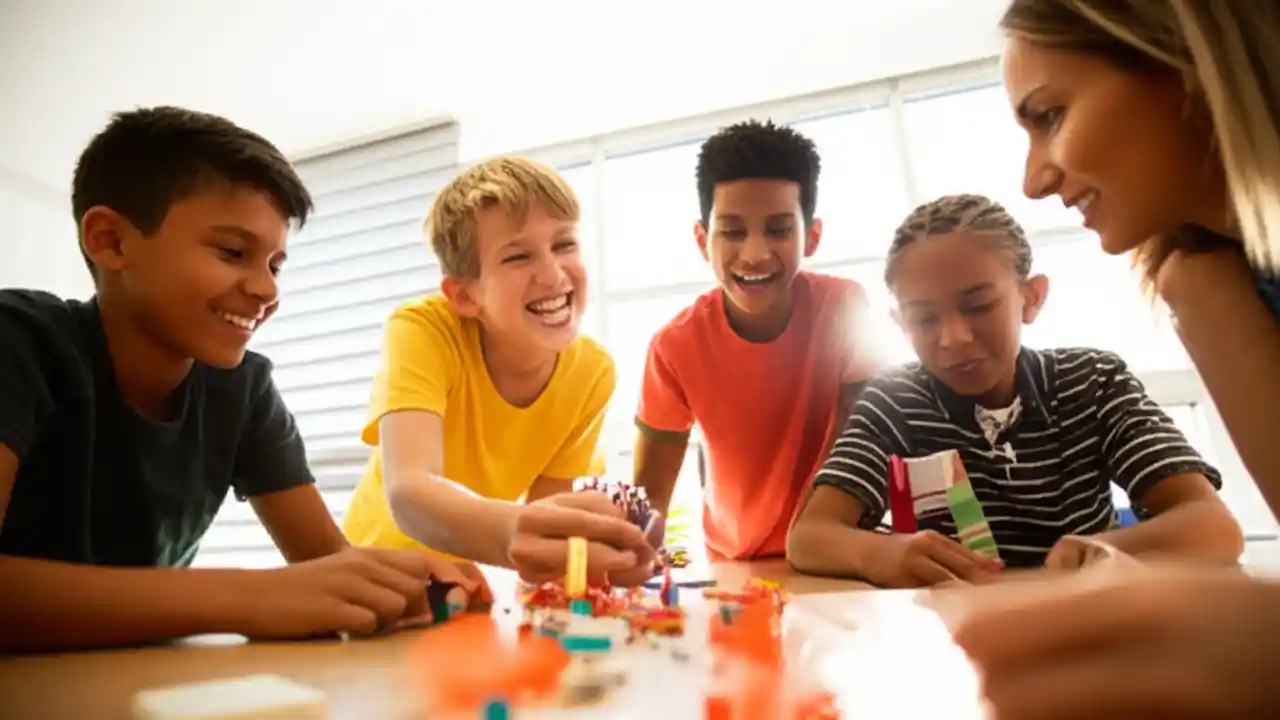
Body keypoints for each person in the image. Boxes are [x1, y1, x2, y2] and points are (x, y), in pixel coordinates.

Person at [0, 107, 477, 653]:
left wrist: (402, 580)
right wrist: (248, 596)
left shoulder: (242, 389)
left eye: (274, 264)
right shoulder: (20, 341)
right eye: (233, 252)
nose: (267, 290)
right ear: (111, 241)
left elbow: (327, 561)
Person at [953, 1, 1280, 716]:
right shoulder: (1206, 279)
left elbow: (1212, 528)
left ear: (1188, 65)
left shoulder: (1094, 375)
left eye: (1050, 115)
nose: (1034, 180)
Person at [787, 193, 1241, 587]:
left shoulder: (1094, 382)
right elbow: (809, 537)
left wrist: (1103, 550)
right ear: (901, 324)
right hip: (960, 635)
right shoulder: (894, 402)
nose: (954, 338)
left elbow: (1212, 525)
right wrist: (878, 554)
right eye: (924, 318)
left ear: (1031, 297)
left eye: (980, 305)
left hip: (1092, 620)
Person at [341, 157, 655, 586]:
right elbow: (409, 490)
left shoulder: (593, 372)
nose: (553, 275)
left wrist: (588, 556)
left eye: (564, 244)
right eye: (518, 256)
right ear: (465, 296)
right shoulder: (424, 329)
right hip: (376, 570)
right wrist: (516, 534)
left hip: (466, 583)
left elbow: (546, 524)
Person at [633, 119, 880, 561]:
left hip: (834, 550)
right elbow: (649, 500)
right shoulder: (673, 347)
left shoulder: (843, 307)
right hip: (733, 562)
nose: (754, 254)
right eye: (732, 232)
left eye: (779, 230)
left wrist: (820, 540)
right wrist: (633, 557)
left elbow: (860, 440)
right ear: (702, 240)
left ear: (812, 236)